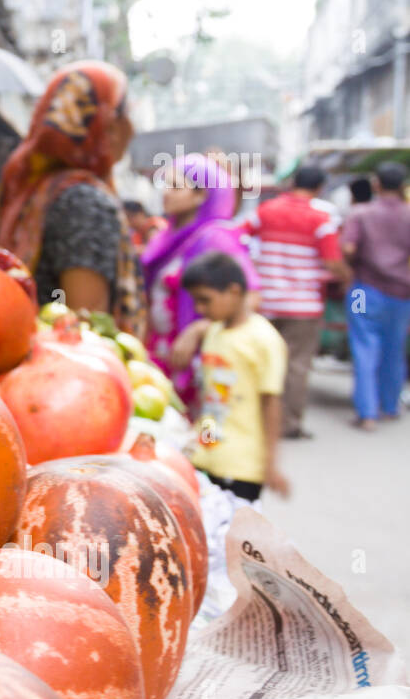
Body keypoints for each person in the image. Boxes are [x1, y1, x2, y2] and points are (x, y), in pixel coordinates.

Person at [0, 61, 144, 332]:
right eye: (128, 112)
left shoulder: (31, 191)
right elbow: (87, 329)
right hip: (59, 369)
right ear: (110, 126)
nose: (133, 128)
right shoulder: (84, 202)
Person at [238, 164, 349, 439]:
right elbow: (332, 261)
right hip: (304, 305)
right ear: (320, 188)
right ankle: (289, 424)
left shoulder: (266, 211)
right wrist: (349, 277)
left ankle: (254, 421)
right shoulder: (321, 219)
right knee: (297, 366)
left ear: (293, 182)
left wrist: (254, 268)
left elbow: (238, 237)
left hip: (265, 301)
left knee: (259, 361)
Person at [142, 152, 259, 408]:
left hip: (196, 359)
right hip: (160, 354)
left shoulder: (217, 238)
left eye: (176, 186)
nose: (166, 193)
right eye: (165, 184)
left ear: (201, 195)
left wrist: (198, 330)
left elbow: (249, 297)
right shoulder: (164, 237)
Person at [181, 251, 289, 501]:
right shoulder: (214, 332)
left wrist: (271, 463)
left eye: (205, 300)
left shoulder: (263, 340)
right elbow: (210, 395)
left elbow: (271, 402)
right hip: (205, 455)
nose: (199, 309)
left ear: (234, 291)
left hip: (241, 467)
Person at [341, 161, 410, 430]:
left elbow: (347, 248)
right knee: (394, 349)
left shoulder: (360, 213)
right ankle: (390, 407)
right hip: (401, 293)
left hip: (362, 290)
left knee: (363, 347)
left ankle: (367, 413)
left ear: (376, 185)